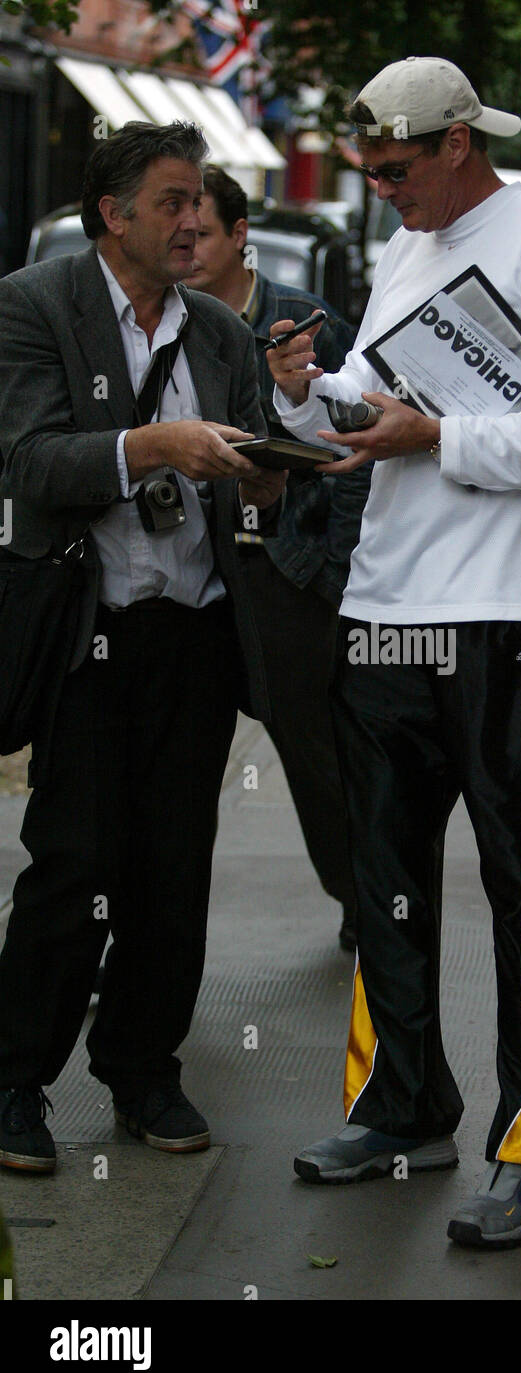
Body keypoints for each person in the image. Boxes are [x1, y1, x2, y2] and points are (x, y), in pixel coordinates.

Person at [270, 56, 521, 1249]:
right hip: (391, 597)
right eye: (368, 170)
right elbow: (374, 409)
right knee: (387, 872)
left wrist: (442, 434)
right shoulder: (407, 247)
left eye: (395, 167)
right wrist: (305, 395)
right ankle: (400, 1103)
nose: (379, 190)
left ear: (460, 142)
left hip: (514, 605)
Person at [0, 121, 283, 1174]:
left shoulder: (218, 330)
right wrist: (152, 446)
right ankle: (15, 1078)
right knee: (74, 864)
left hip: (195, 635)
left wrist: (267, 469)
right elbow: (27, 461)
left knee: (175, 869)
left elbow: (256, 474)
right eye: (172, 200)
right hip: (89, 636)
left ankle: (143, 1068)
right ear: (114, 213)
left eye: (200, 199)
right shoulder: (34, 305)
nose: (194, 219)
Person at [183, 166, 371, 951]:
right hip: (187, 567)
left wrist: (327, 565)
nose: (182, 245)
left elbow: (359, 438)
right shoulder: (164, 322)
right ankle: (135, 934)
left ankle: (361, 894)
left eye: (198, 229)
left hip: (283, 568)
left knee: (311, 747)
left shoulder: (302, 320)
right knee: (174, 752)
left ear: (239, 238)